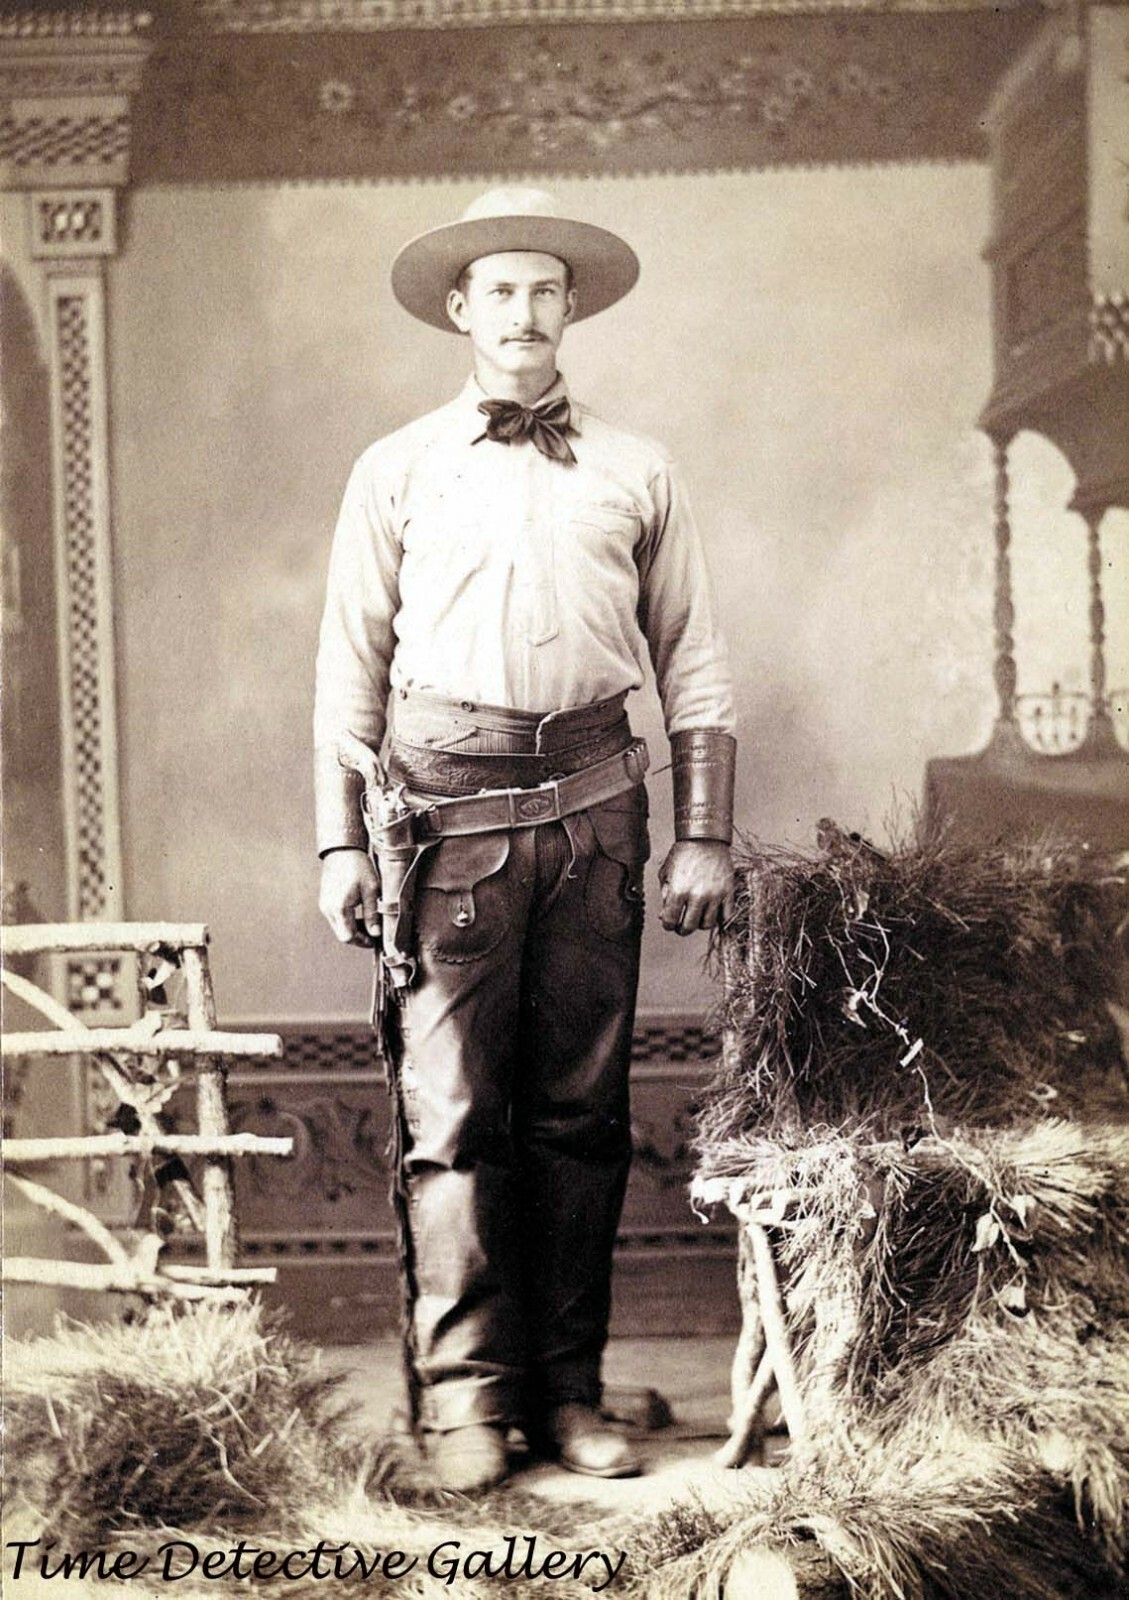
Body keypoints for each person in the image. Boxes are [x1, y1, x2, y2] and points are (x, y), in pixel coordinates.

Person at [314, 188, 737, 1492]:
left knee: (579, 1121)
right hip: (442, 825)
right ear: (460, 310)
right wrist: (338, 845)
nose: (523, 310)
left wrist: (704, 836)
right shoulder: (396, 468)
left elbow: (695, 662)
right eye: (499, 288)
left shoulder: (636, 466)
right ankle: (461, 1410)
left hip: (602, 820)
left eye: (545, 288)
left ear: (572, 310)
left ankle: (568, 1399)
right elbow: (349, 672)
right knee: (452, 1124)